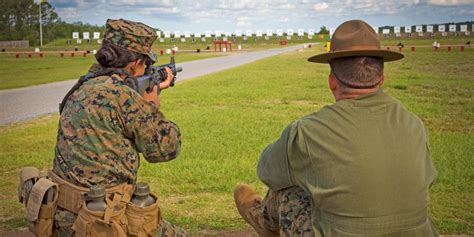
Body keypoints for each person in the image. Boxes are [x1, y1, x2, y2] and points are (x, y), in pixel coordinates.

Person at [234, 20, 439, 236]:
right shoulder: (415, 124)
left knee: (289, 190)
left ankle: (264, 222)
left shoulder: (307, 132)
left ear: (332, 81)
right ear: (382, 78)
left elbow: (267, 171)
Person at [21, 19, 187, 236]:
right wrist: (152, 102)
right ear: (136, 63)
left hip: (60, 217)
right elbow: (166, 148)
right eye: (145, 64)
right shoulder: (124, 97)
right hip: (102, 222)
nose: (146, 68)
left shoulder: (82, 87)